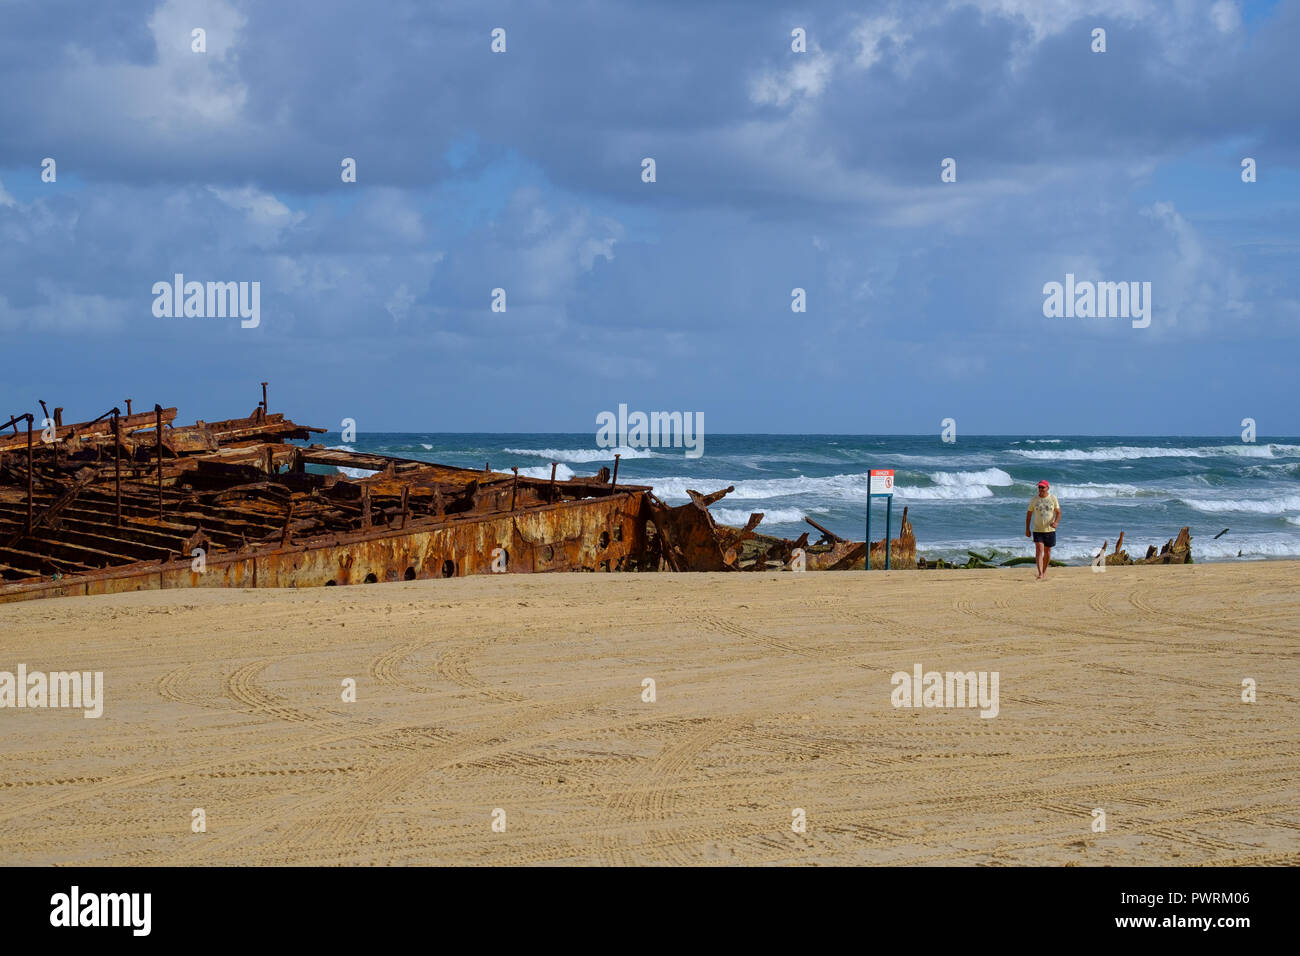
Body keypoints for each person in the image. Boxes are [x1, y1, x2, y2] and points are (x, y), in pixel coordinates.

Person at [1025, 479, 1060, 579]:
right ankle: (1040, 573)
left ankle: (1044, 571)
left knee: (1047, 552)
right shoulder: (1034, 500)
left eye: (1042, 487)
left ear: (1047, 488)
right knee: (1039, 550)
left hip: (1050, 530)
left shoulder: (1053, 498)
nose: (1040, 489)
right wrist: (1027, 529)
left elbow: (1058, 512)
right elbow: (1028, 515)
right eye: (1039, 487)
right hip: (1037, 530)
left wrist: (1056, 522)